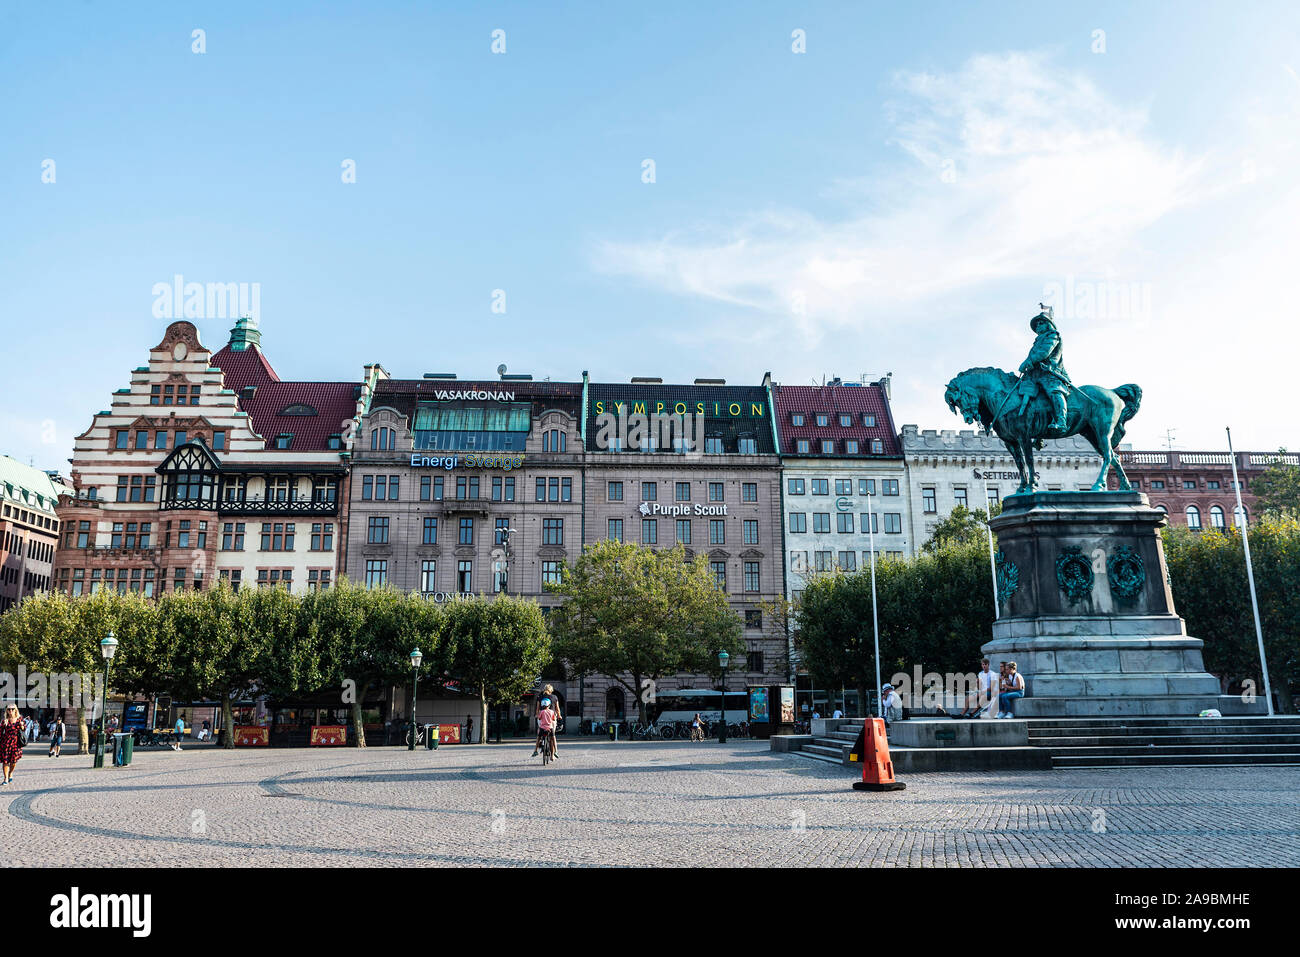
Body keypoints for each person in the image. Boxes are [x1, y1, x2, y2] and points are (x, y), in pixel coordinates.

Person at [531, 685, 561, 759]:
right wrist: (559, 716)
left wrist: (536, 715)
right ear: (551, 690)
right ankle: (552, 755)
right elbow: (557, 709)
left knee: (539, 732)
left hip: (541, 717)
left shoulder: (540, 697)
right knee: (552, 736)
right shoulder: (554, 697)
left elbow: (537, 709)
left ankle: (539, 744)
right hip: (552, 718)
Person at [0, 705, 25, 785]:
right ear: (7, 711)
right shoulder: (5, 721)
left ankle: (10, 773)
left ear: (15, 710)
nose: (10, 710)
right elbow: (0, 732)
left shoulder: (19, 720)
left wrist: (22, 725)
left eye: (12, 709)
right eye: (9, 709)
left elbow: (24, 729)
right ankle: (6, 778)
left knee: (13, 762)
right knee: (5, 761)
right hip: (6, 744)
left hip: (16, 744)